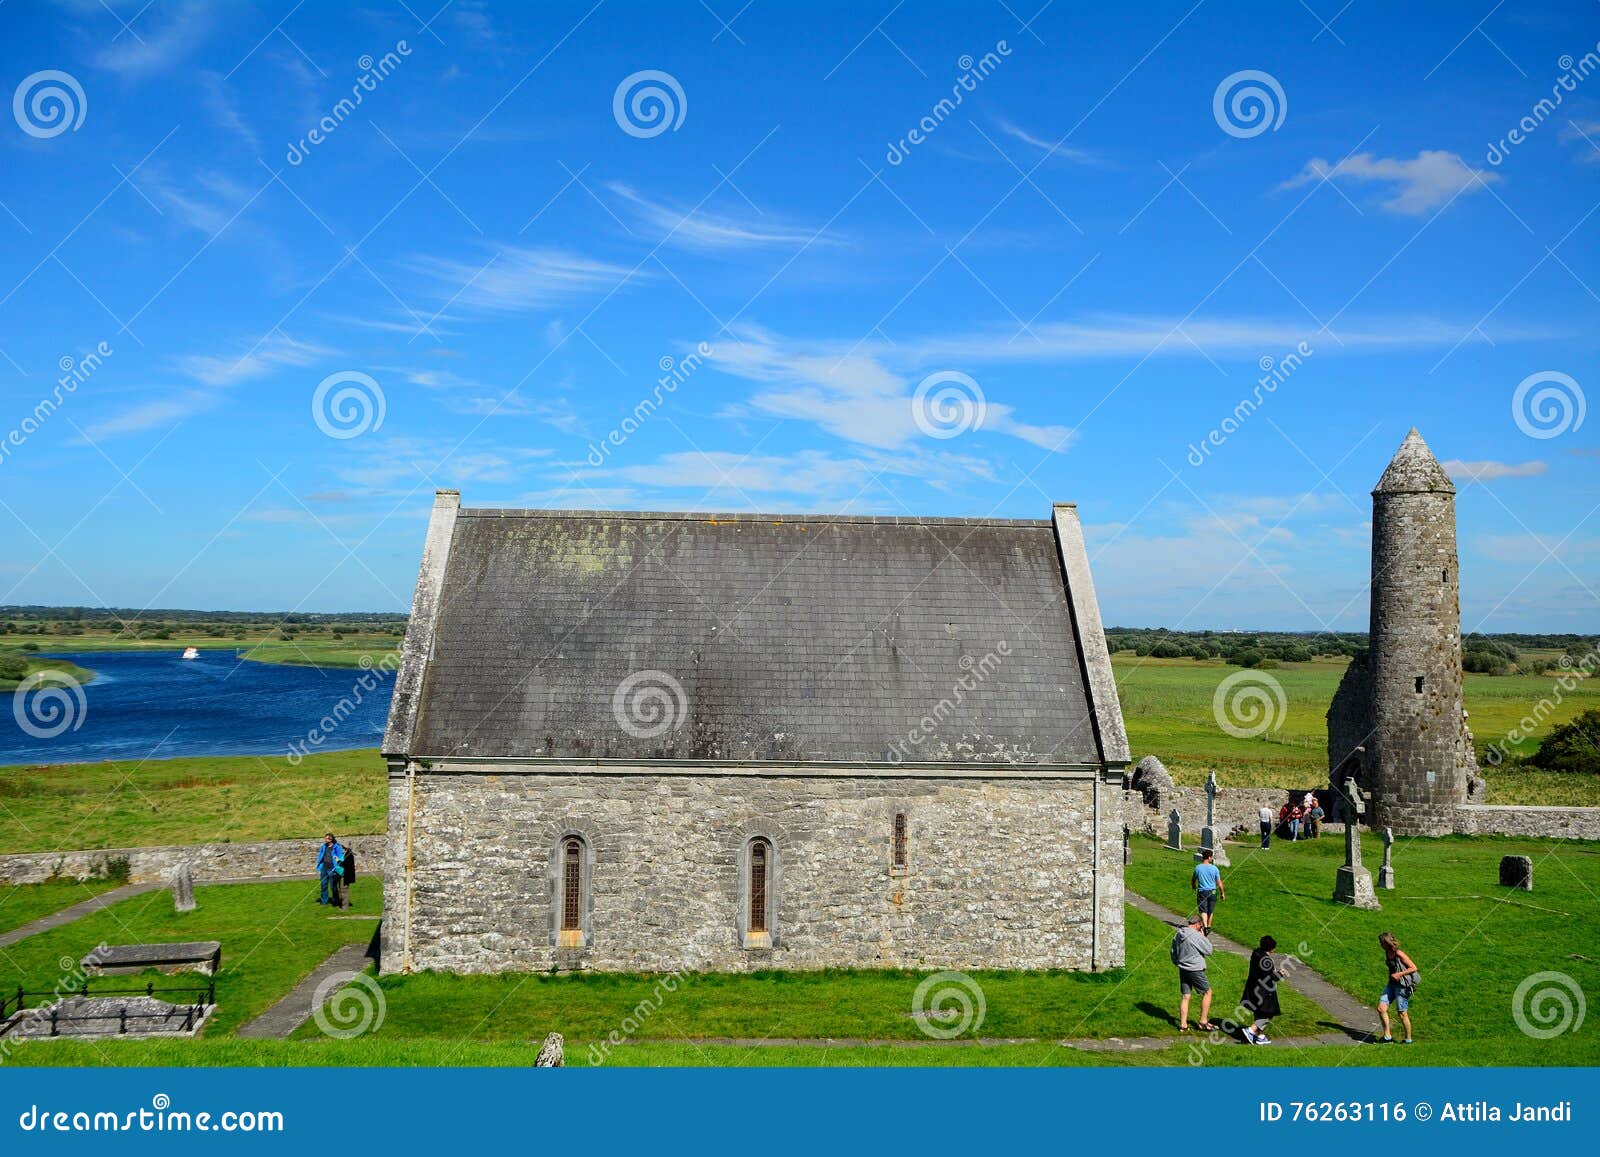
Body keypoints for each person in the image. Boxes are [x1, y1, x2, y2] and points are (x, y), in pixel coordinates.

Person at [1170, 914, 1215, 1032]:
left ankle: (1183, 1025)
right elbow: (1209, 950)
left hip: (1183, 968)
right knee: (1207, 992)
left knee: (1186, 996)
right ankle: (1203, 1022)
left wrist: (1176, 961)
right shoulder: (1195, 935)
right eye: (1201, 925)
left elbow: (1173, 949)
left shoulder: (1179, 933)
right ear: (1198, 924)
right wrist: (1203, 937)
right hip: (1195, 969)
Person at [1241, 935, 1285, 1044]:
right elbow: (1269, 978)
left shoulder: (1256, 954)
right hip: (1264, 991)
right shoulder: (1266, 960)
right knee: (1269, 1013)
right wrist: (1280, 974)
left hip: (1253, 987)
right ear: (1271, 948)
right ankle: (1251, 1030)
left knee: (1259, 1011)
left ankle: (1261, 1036)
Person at [1376, 931, 1419, 1044]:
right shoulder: (1387, 952)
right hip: (1391, 985)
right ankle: (1387, 1037)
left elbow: (1413, 967)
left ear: (1387, 943)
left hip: (1402, 987)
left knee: (1402, 1013)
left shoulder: (1399, 954)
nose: (1380, 945)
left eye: (1381, 943)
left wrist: (1399, 974)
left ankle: (1408, 1040)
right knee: (1381, 1008)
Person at [1191, 849, 1224, 934]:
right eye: (1211, 857)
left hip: (1202, 891)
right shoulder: (1214, 868)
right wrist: (1222, 893)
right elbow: (1219, 882)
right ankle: (1209, 927)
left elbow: (1193, 879)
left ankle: (1205, 926)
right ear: (1209, 857)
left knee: (1203, 910)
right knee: (1211, 910)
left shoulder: (1198, 868)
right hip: (1212, 892)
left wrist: (1193, 886)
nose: (1212, 858)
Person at [316, 833, 345, 906]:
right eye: (325, 838)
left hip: (332, 869)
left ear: (331, 839)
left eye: (326, 838)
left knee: (333, 887)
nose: (325, 840)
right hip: (324, 868)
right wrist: (320, 863)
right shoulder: (323, 846)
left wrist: (337, 867)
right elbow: (321, 855)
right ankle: (324, 901)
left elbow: (341, 858)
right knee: (323, 885)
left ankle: (336, 901)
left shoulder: (337, 847)